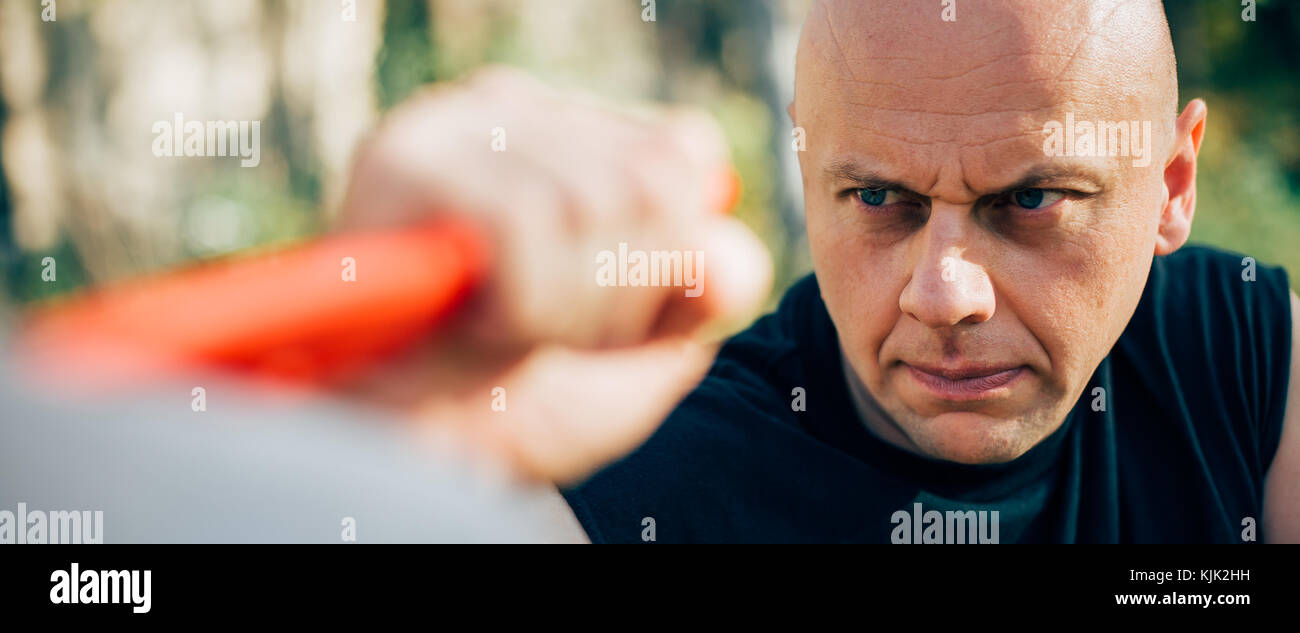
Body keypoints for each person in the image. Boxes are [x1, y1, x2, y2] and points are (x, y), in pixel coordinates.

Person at [338, 0, 1299, 543]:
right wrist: (389, 452)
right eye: (881, 200)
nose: (943, 295)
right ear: (808, 172)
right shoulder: (647, 475)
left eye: (1031, 201)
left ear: (1173, 185)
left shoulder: (1244, 358)